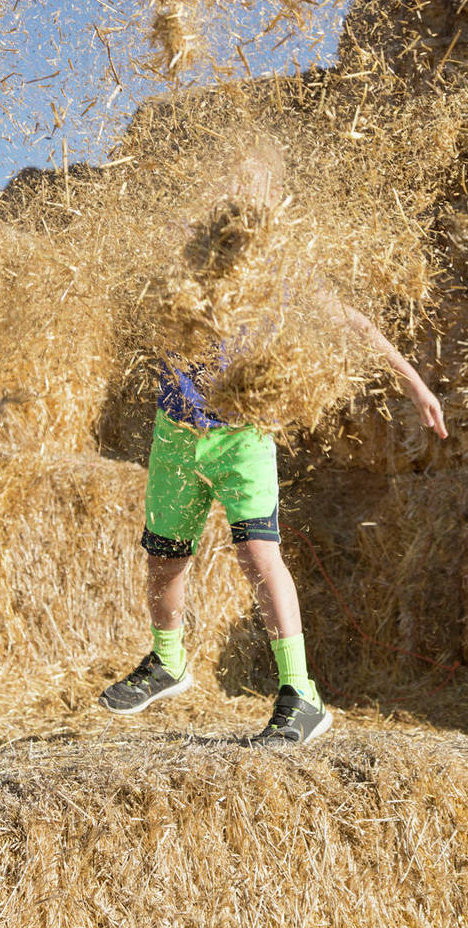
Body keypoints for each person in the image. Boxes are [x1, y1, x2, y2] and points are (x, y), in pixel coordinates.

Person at [99, 141, 448, 745]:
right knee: (164, 554)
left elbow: (352, 323)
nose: (238, 197)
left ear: (273, 203)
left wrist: (414, 381)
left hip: (243, 437)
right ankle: (168, 660)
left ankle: (301, 693)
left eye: (252, 187)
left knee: (258, 557)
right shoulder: (187, 251)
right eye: (230, 184)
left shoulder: (283, 271)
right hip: (176, 431)